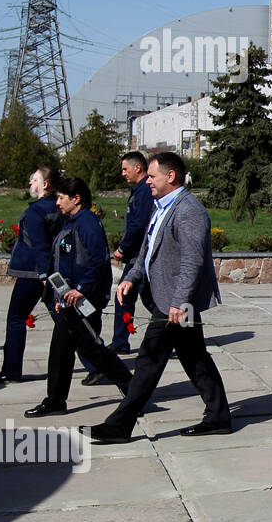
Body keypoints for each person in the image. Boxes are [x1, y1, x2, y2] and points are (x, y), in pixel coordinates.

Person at [88, 152, 232, 443]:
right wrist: (131, 277)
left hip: (176, 303)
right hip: (166, 299)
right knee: (194, 357)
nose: (148, 181)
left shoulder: (188, 210)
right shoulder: (161, 207)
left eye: (152, 176)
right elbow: (147, 248)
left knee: (148, 361)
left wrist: (179, 303)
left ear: (171, 176)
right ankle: (218, 416)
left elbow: (192, 262)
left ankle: (119, 425)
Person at [22, 177, 133, 418]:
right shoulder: (71, 221)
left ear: (77, 199)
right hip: (69, 299)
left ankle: (133, 390)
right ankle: (55, 401)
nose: (57, 202)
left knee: (93, 350)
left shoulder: (88, 223)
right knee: (62, 350)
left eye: (61, 198)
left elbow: (97, 259)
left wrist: (82, 289)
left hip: (82, 301)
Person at [0, 167, 60, 386]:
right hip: (49, 271)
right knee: (66, 320)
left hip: (33, 273)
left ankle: (11, 371)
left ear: (45, 184)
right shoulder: (58, 207)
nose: (30, 183)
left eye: (35, 179)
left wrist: (43, 274)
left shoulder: (36, 211)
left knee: (16, 318)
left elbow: (40, 246)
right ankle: (95, 364)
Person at [105, 152, 154, 361]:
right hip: (139, 255)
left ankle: (120, 342)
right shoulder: (140, 190)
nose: (122, 173)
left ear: (137, 168)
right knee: (151, 301)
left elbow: (139, 225)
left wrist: (123, 248)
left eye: (125, 169)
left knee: (126, 298)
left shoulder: (143, 192)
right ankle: (177, 337)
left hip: (139, 256)